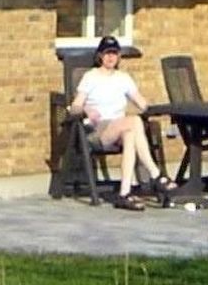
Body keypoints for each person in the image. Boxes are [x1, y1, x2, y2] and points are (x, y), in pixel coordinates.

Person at [69, 36, 170, 209]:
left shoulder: (123, 78)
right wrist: (86, 110)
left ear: (119, 56)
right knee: (134, 121)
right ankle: (154, 173)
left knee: (131, 134)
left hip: (119, 127)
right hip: (98, 130)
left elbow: (142, 103)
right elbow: (74, 107)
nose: (110, 57)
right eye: (107, 53)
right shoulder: (90, 76)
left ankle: (124, 193)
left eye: (114, 53)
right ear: (100, 56)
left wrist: (161, 110)